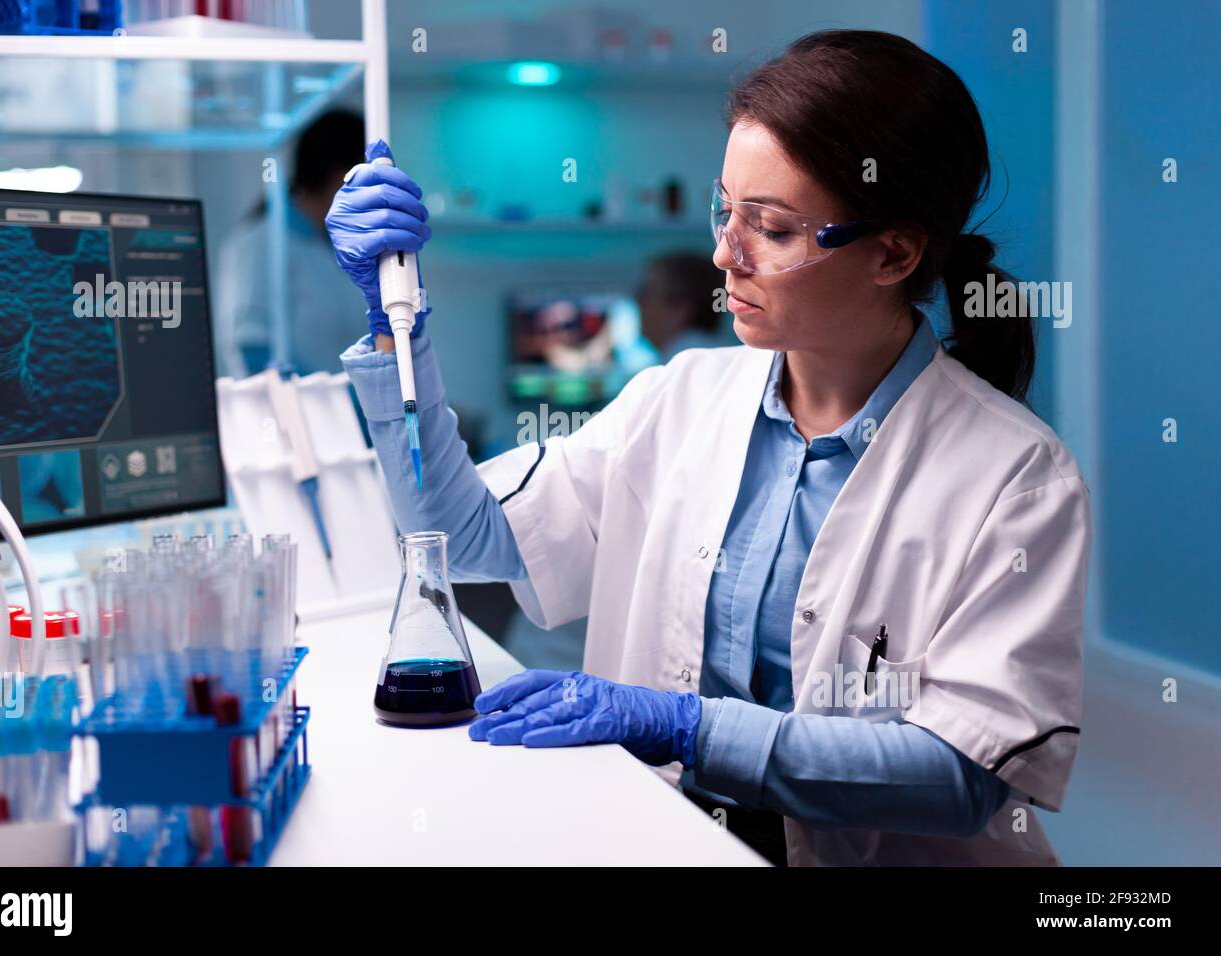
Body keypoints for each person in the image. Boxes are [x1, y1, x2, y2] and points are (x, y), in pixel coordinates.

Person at [326, 30, 1090, 867]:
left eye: (770, 227)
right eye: (724, 208)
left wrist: (686, 727)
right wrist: (396, 328)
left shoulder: (1016, 476)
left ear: (894, 251)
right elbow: (453, 531)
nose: (725, 253)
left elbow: (963, 775)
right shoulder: (679, 397)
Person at [215, 109, 367, 378]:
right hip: (293, 416)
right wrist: (326, 404)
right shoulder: (264, 241)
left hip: (338, 415)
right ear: (340, 176)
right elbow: (252, 348)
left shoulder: (329, 243)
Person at [637, 251, 738, 362]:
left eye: (645, 294)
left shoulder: (682, 363)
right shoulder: (724, 354)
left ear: (680, 310)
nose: (639, 302)